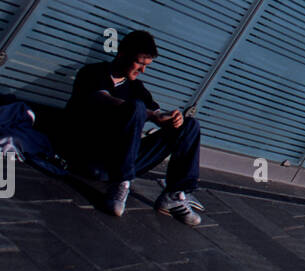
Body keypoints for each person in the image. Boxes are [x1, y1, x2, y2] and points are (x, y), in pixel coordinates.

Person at [63, 30, 204, 226]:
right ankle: (120, 184)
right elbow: (102, 98)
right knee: (135, 107)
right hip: (89, 157)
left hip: (122, 160)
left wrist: (171, 119)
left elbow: (156, 113)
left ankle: (174, 195)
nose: (143, 70)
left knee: (190, 125)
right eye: (139, 63)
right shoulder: (93, 73)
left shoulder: (137, 88)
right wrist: (149, 113)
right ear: (122, 54)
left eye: (146, 66)